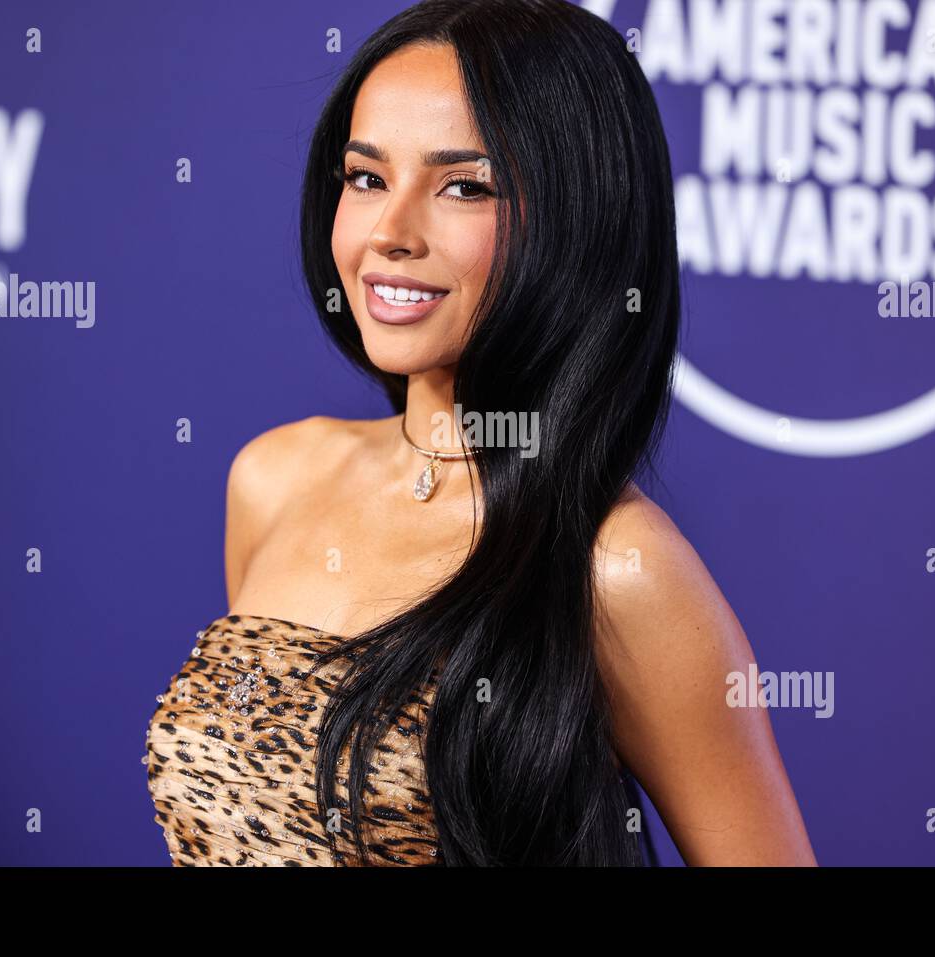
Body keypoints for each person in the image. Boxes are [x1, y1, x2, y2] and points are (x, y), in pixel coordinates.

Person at [146, 0, 816, 867]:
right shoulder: (275, 477)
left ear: (576, 221)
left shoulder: (618, 572)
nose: (390, 233)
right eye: (365, 177)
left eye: (465, 186)